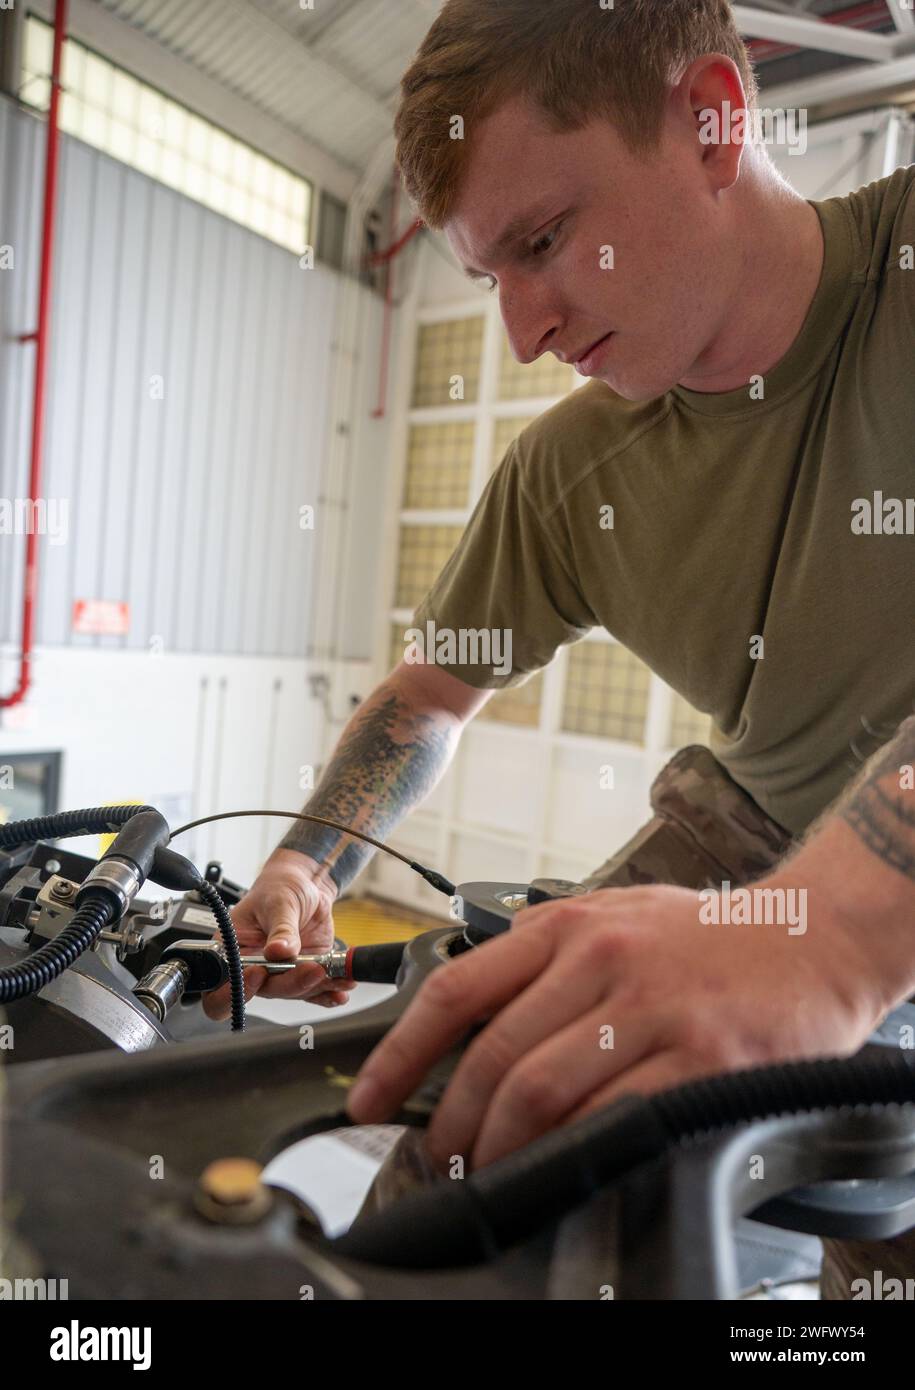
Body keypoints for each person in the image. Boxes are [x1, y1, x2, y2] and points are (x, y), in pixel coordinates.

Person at [204, 0, 915, 1296]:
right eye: (491, 279)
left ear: (712, 120)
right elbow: (430, 692)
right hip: (753, 825)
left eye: (546, 241)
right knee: (490, 1148)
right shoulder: (570, 473)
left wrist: (830, 939)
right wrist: (310, 858)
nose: (526, 332)